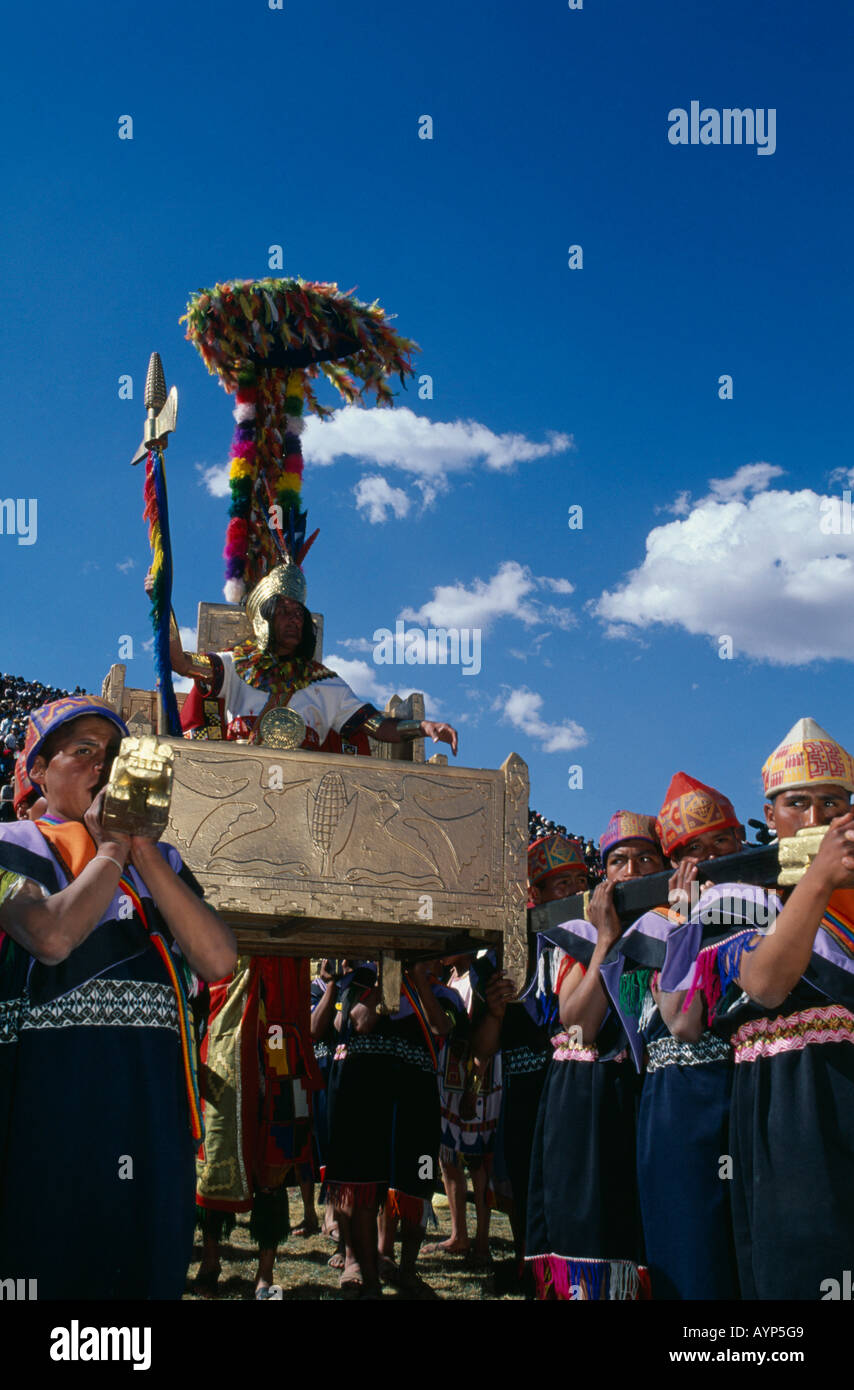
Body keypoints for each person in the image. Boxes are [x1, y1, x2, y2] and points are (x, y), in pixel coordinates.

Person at [0, 695, 236, 1299]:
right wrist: (109, 850)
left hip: (148, 1105)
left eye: (115, 754)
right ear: (38, 770)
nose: (104, 766)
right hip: (49, 1104)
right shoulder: (13, 843)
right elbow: (50, 936)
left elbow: (217, 959)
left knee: (143, 1264)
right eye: (83, 752)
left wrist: (142, 851)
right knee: (47, 1263)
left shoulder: (159, 862)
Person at [705, 718, 854, 1300]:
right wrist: (818, 881)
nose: (815, 820)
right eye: (798, 804)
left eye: (832, 803)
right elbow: (764, 984)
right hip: (790, 1096)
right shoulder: (737, 889)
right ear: (770, 816)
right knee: (804, 1259)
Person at [620, 786, 742, 1298]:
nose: (709, 858)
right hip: (678, 1103)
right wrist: (689, 922)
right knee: (689, 1241)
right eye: (694, 849)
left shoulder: (767, 904)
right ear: (675, 863)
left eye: (721, 843)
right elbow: (680, 1022)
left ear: (743, 838)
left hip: (749, 1093)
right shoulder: (655, 925)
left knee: (743, 1242)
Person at [525, 824, 650, 1299]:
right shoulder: (574, 936)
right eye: (619, 862)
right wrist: (605, 941)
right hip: (586, 1091)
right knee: (586, 1215)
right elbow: (579, 1024)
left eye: (646, 861)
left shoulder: (663, 924)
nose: (633, 872)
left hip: (645, 1091)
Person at [323, 959, 465, 1298]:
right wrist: (390, 977)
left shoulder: (443, 993)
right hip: (368, 1096)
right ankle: (362, 1267)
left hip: (418, 1104)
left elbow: (441, 1029)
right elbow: (359, 1021)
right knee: (363, 1185)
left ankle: (407, 1269)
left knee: (418, 1182)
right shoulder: (360, 982)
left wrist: (416, 979)